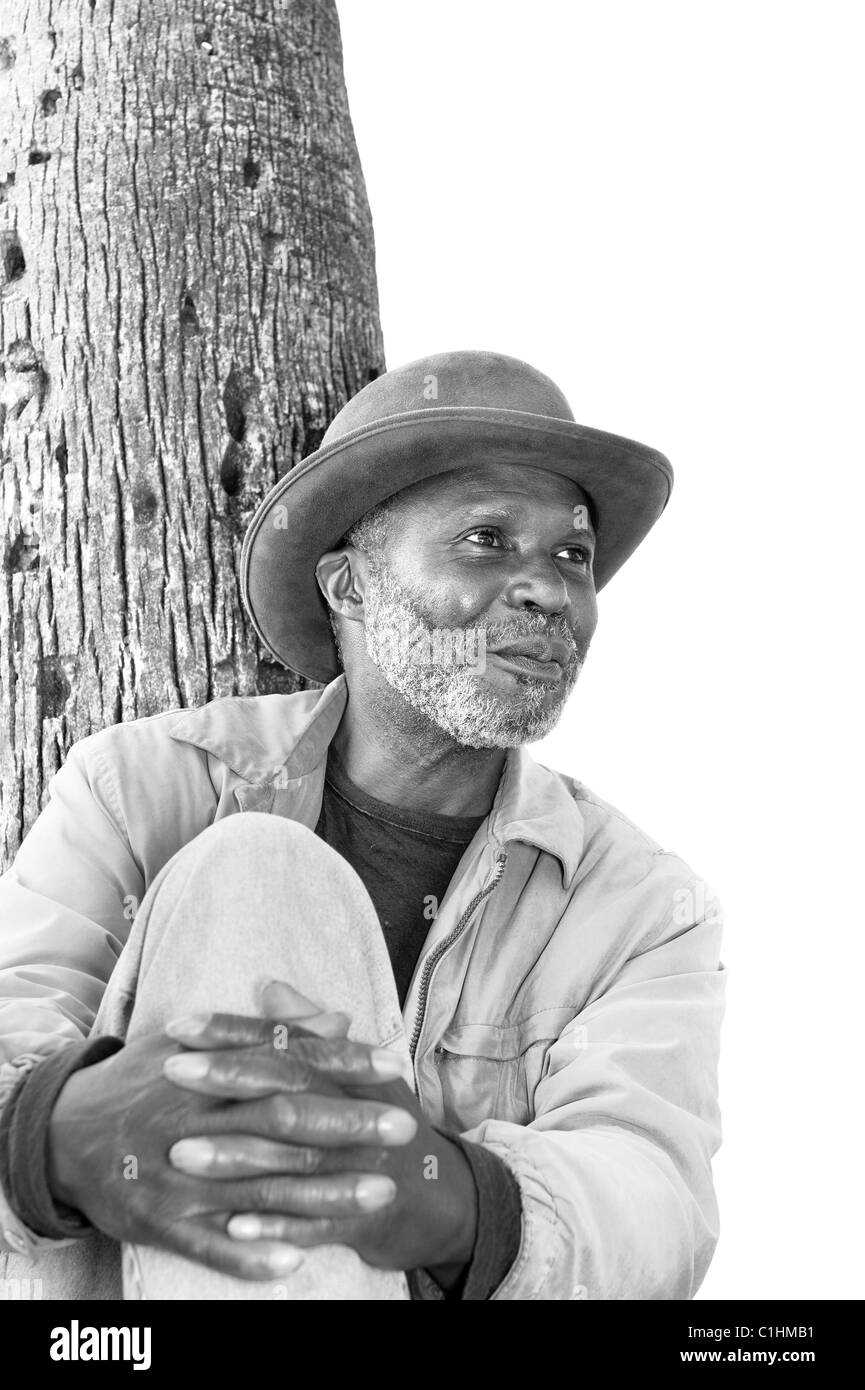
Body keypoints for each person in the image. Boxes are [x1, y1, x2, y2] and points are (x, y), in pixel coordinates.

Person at [0, 350, 724, 1301]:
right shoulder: (134, 793)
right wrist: (59, 1134)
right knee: (258, 871)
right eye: (485, 538)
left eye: (572, 556)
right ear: (348, 587)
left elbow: (653, 1200)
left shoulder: (638, 905)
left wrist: (446, 1192)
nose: (549, 591)